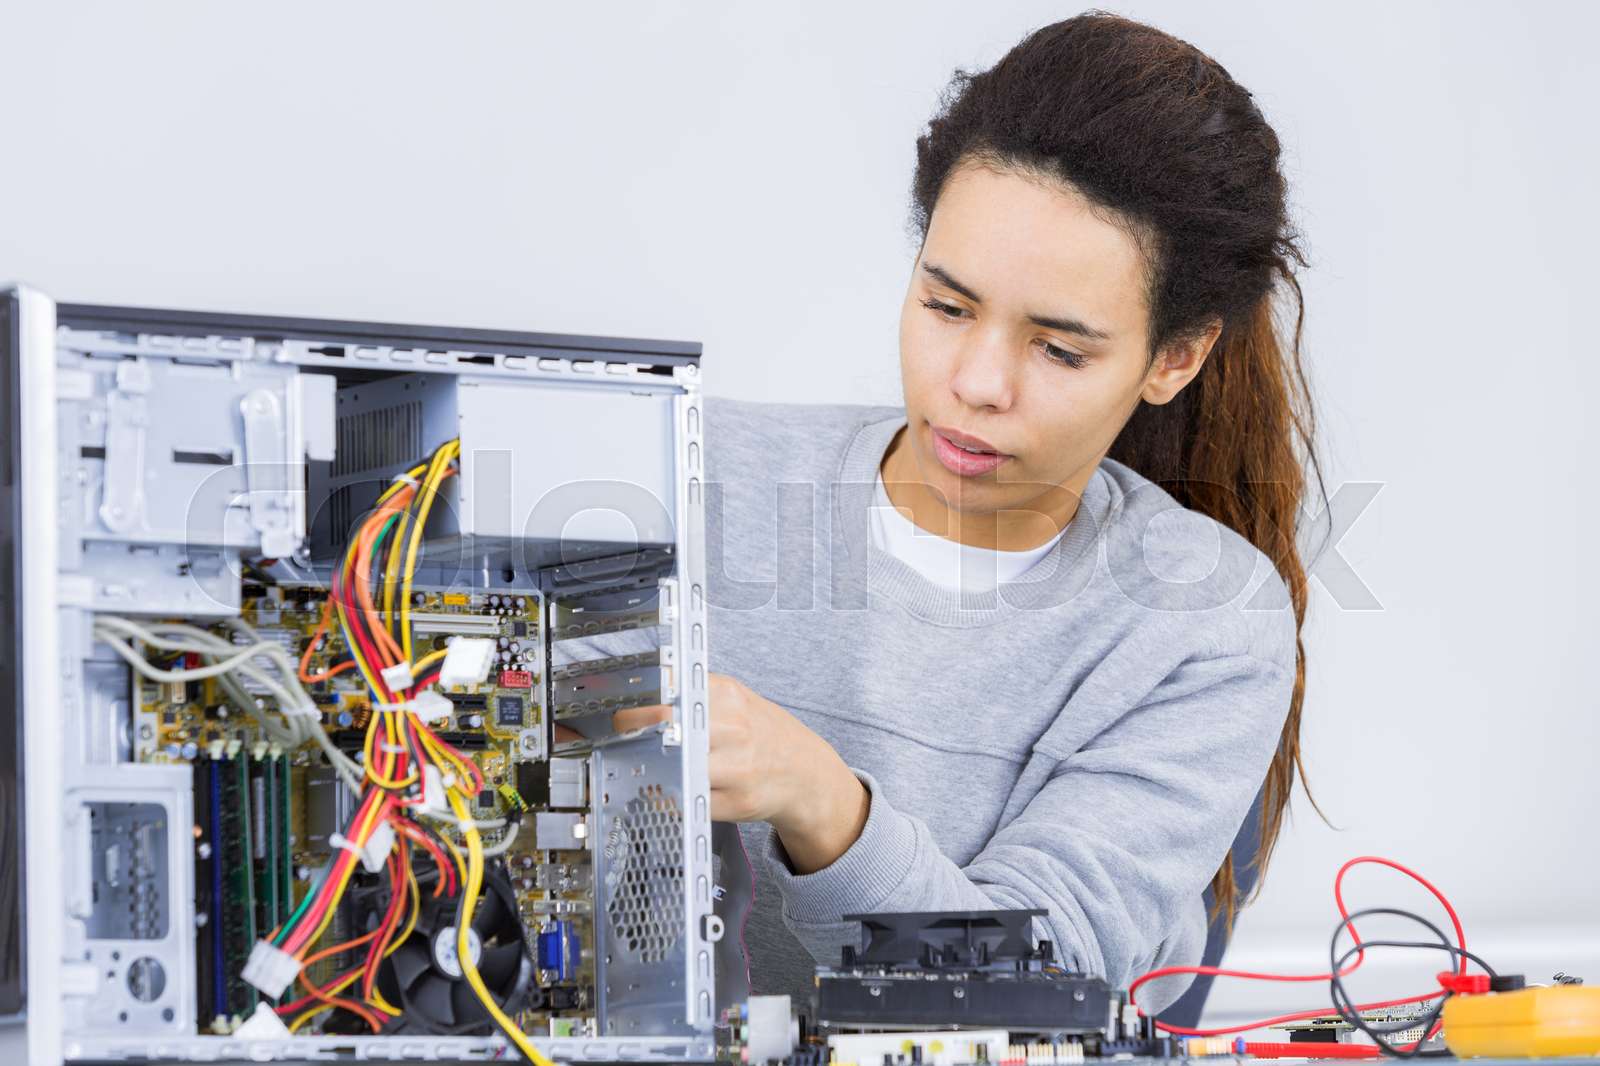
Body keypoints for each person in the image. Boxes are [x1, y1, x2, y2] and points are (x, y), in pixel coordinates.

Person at [564, 10, 1319, 1016]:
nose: (975, 382)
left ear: (1174, 358)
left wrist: (822, 803)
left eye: (1058, 350)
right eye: (946, 305)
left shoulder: (1205, 621)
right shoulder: (690, 468)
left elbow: (1030, 1002)